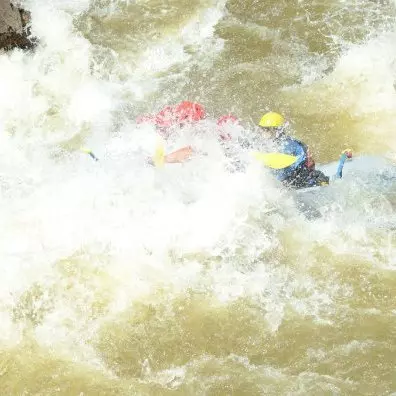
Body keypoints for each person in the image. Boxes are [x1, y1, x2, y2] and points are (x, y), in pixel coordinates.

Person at [137, 101, 239, 164]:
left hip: (231, 162)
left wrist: (158, 160)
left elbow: (189, 152)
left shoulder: (200, 131)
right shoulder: (211, 126)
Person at [256, 111, 329, 188]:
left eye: (267, 130)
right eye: (262, 129)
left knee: (316, 178)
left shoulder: (289, 145)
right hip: (286, 178)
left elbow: (290, 167)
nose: (263, 133)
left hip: (297, 176)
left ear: (277, 130)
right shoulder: (263, 144)